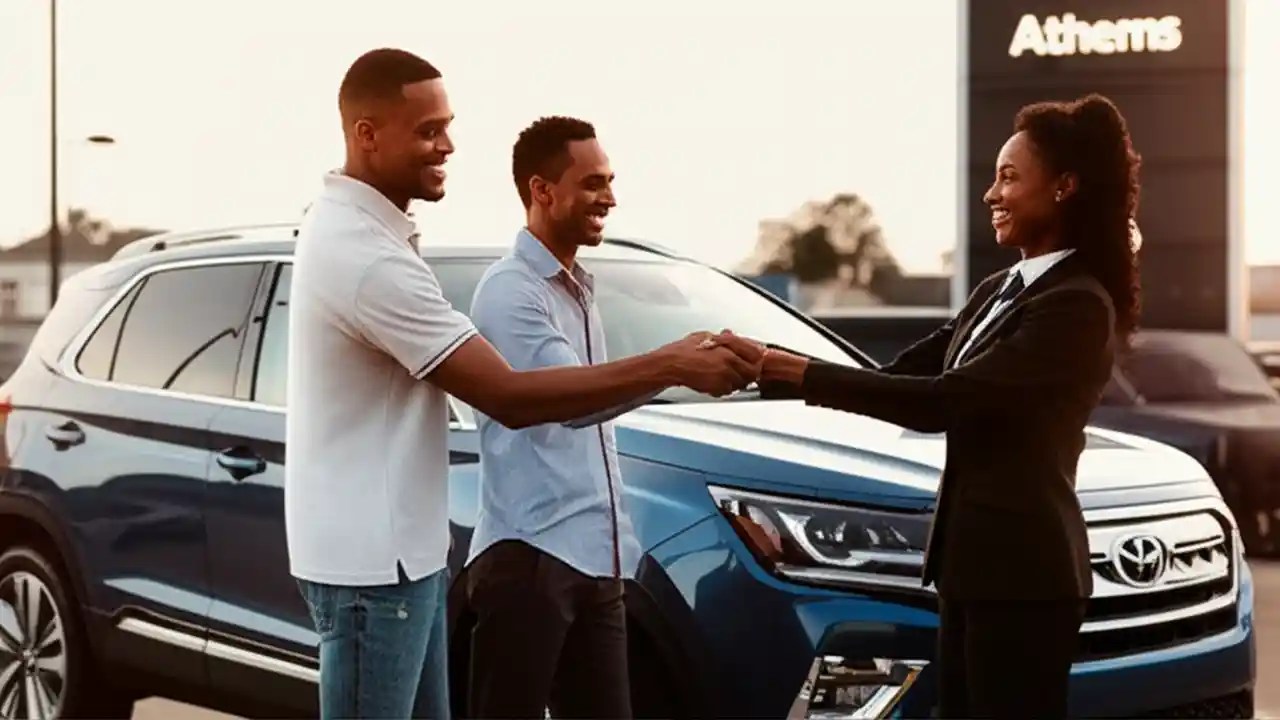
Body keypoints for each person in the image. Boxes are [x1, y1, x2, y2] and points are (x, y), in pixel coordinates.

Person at [285, 49, 762, 720]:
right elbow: (510, 396)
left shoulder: (372, 239)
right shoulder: (366, 256)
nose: (448, 145)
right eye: (428, 130)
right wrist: (671, 365)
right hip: (376, 567)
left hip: (404, 560)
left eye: (447, 126)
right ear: (366, 134)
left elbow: (564, 393)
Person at [758, 93, 1141, 719]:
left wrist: (798, 374)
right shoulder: (1002, 289)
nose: (991, 194)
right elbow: (898, 375)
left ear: (1066, 186)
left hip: (1026, 579)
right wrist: (765, 364)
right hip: (971, 571)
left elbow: (944, 402)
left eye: (1010, 177)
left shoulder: (1075, 305)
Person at [462, 116, 652, 719]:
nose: (610, 198)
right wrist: (672, 368)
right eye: (593, 182)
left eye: (611, 181)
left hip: (599, 559)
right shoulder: (510, 290)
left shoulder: (577, 289)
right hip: (532, 557)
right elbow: (571, 402)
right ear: (542, 190)